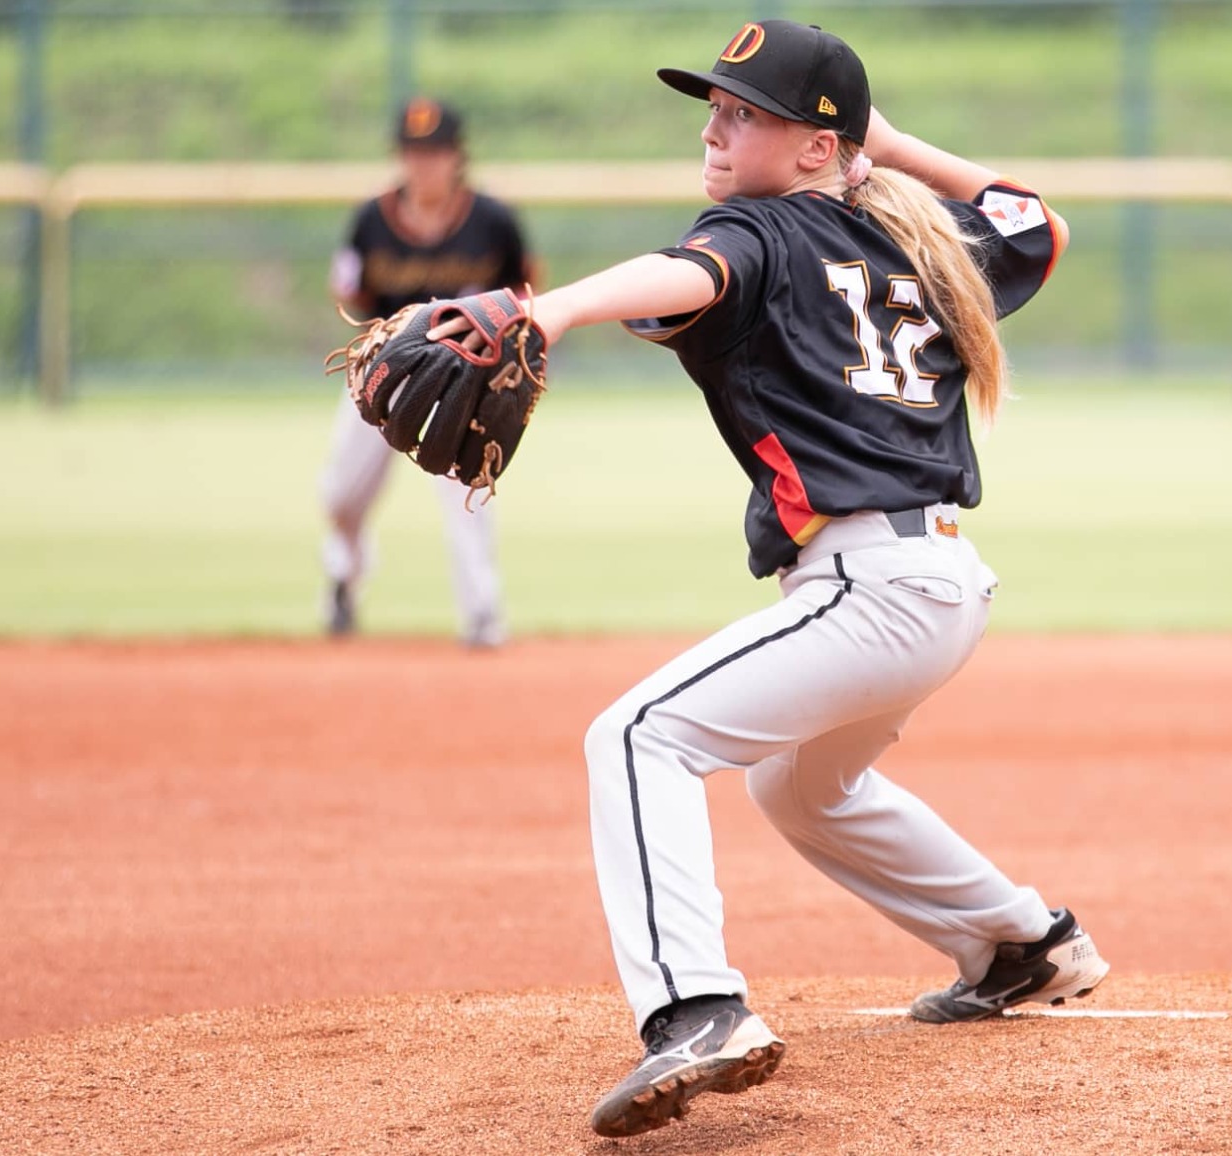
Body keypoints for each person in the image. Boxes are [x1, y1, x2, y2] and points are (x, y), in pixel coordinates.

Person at [430, 20, 1109, 1138]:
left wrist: (544, 310)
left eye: (744, 111)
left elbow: (693, 271)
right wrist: (894, 148)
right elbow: (1039, 223)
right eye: (716, 105)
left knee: (638, 735)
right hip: (938, 584)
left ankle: (695, 1009)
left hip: (872, 590)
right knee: (796, 785)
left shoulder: (764, 231)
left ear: (811, 147)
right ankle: (1019, 943)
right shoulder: (916, 243)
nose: (713, 125)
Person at [320, 97, 535, 646]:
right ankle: (345, 574)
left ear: (458, 157)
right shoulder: (372, 219)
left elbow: (528, 292)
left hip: (465, 381)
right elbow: (347, 289)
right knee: (340, 497)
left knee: (465, 491)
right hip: (380, 377)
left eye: (435, 152)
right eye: (414, 153)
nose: (424, 164)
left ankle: (483, 615)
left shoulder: (492, 221)